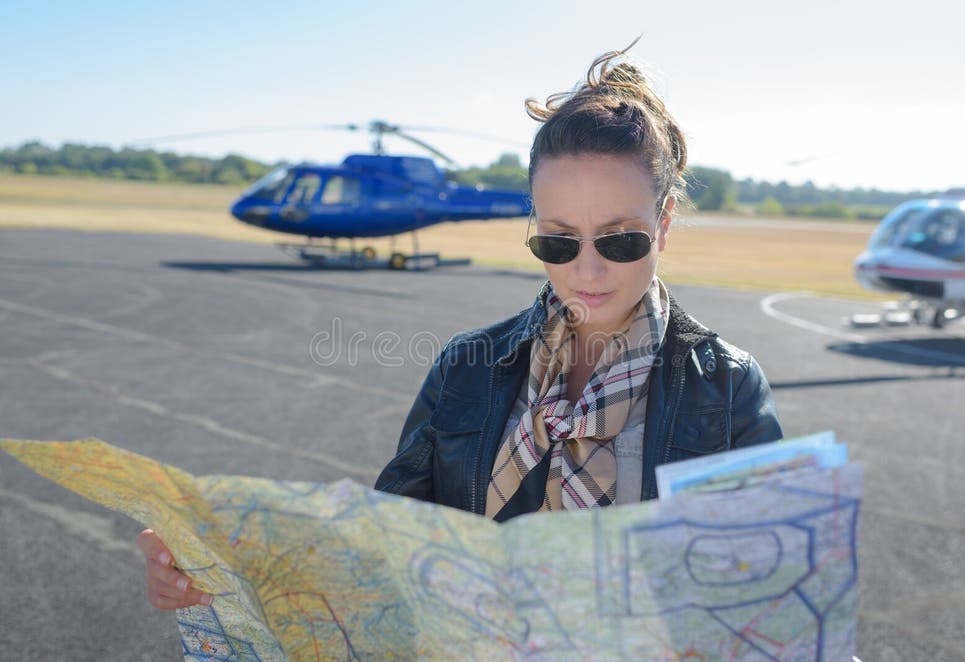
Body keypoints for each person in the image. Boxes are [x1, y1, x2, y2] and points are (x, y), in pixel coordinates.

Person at [137, 42, 783, 610]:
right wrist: (228, 569)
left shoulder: (727, 387)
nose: (587, 271)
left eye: (620, 240)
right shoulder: (465, 365)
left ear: (664, 224)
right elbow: (388, 541)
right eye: (558, 241)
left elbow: (767, 585)